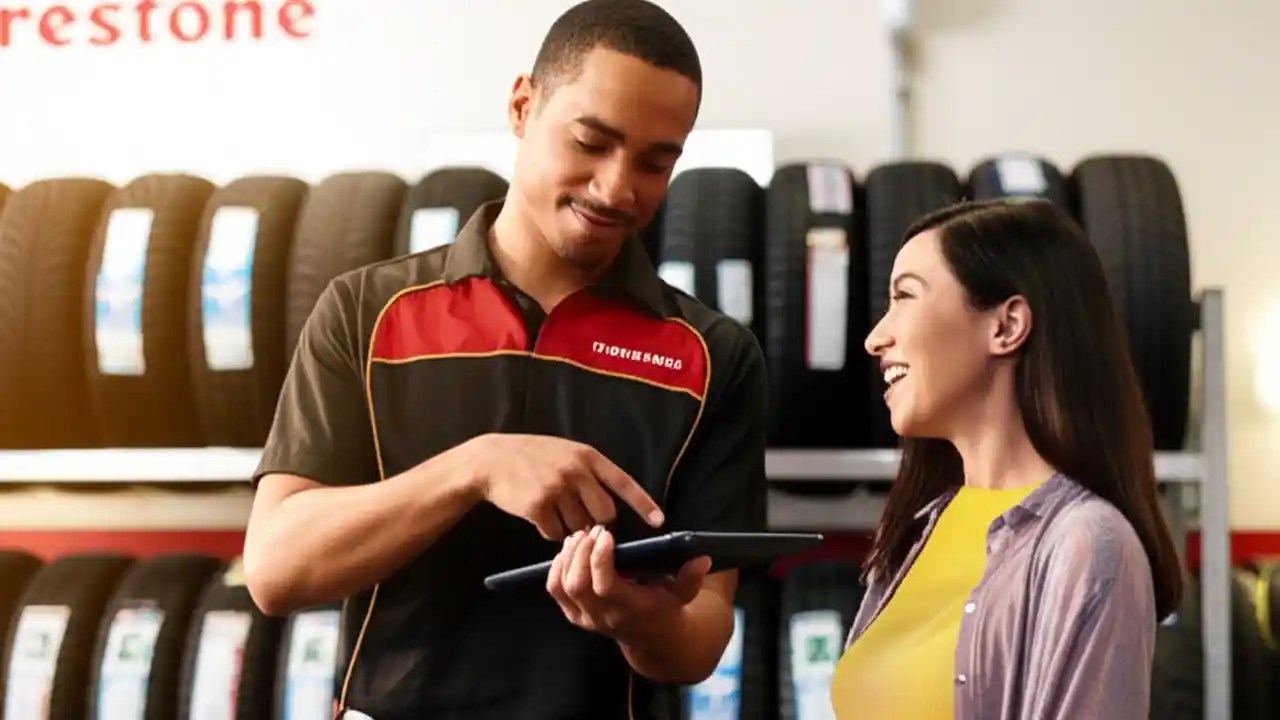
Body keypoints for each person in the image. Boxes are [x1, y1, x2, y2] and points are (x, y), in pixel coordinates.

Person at [240, 2, 768, 718]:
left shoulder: (712, 356)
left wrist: (639, 621)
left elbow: (702, 634)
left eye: (655, 161)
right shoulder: (368, 311)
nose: (617, 188)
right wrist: (475, 468)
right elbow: (276, 568)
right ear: (524, 105)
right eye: (591, 142)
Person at [829, 199, 1184, 719]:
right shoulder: (919, 528)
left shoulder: (1088, 543)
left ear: (1007, 326)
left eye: (905, 296)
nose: (875, 337)